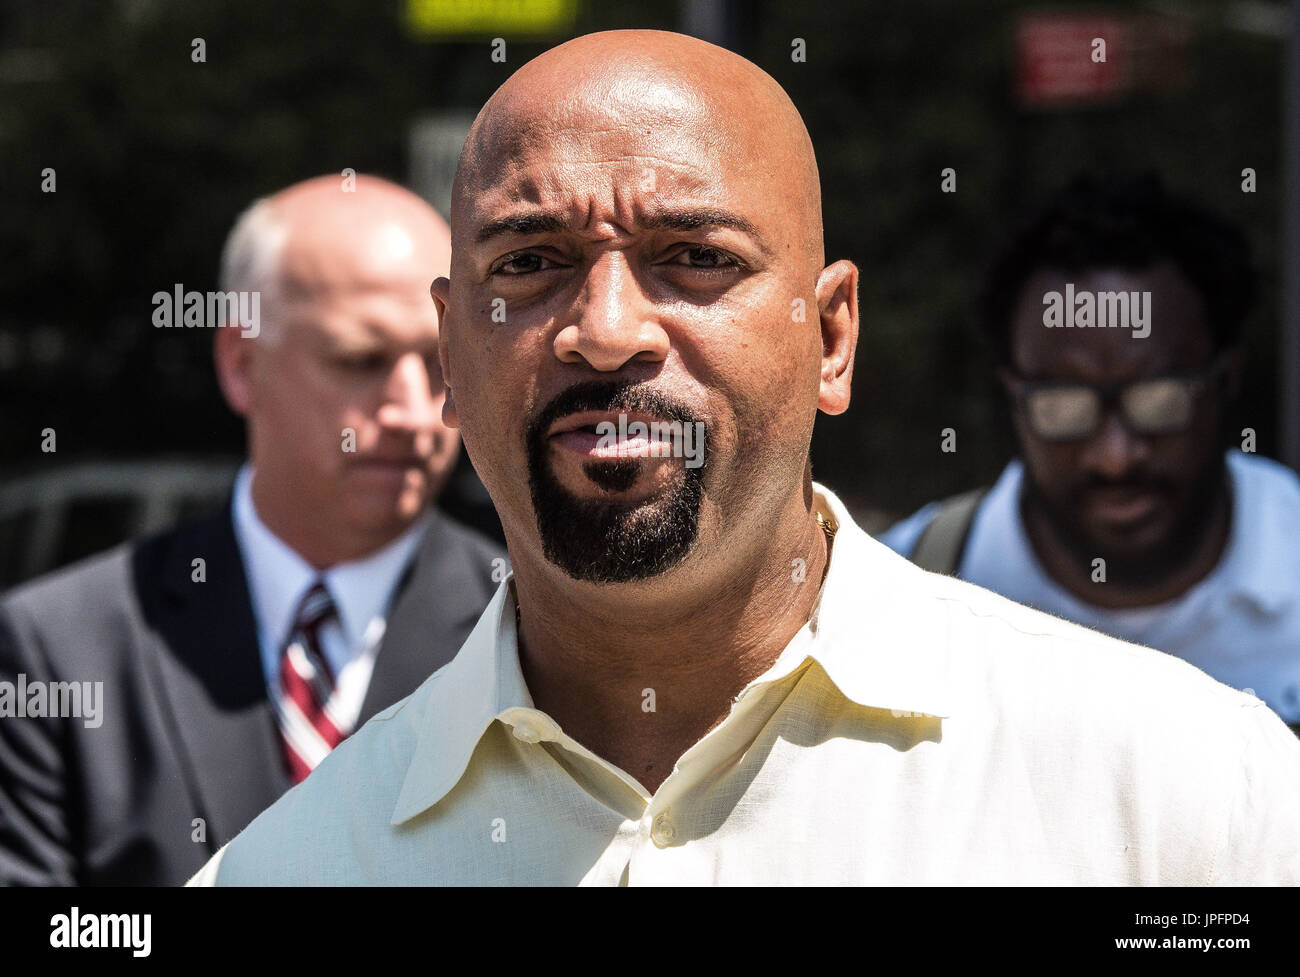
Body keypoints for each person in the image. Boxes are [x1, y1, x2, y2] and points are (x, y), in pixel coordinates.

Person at [190, 33, 1300, 886]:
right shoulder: (295, 866)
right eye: (530, 261)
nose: (608, 327)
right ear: (450, 346)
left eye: (694, 257)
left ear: (830, 337)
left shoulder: (1185, 800)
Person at [0, 174, 504, 885]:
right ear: (241, 362)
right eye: (360, 361)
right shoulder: (61, 645)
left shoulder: (535, 633)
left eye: (439, 364)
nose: (415, 413)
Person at [881, 173, 1300, 733]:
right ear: (1013, 395)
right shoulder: (903, 595)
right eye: (1064, 407)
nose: (1115, 457)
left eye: (1159, 400)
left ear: (1226, 380)